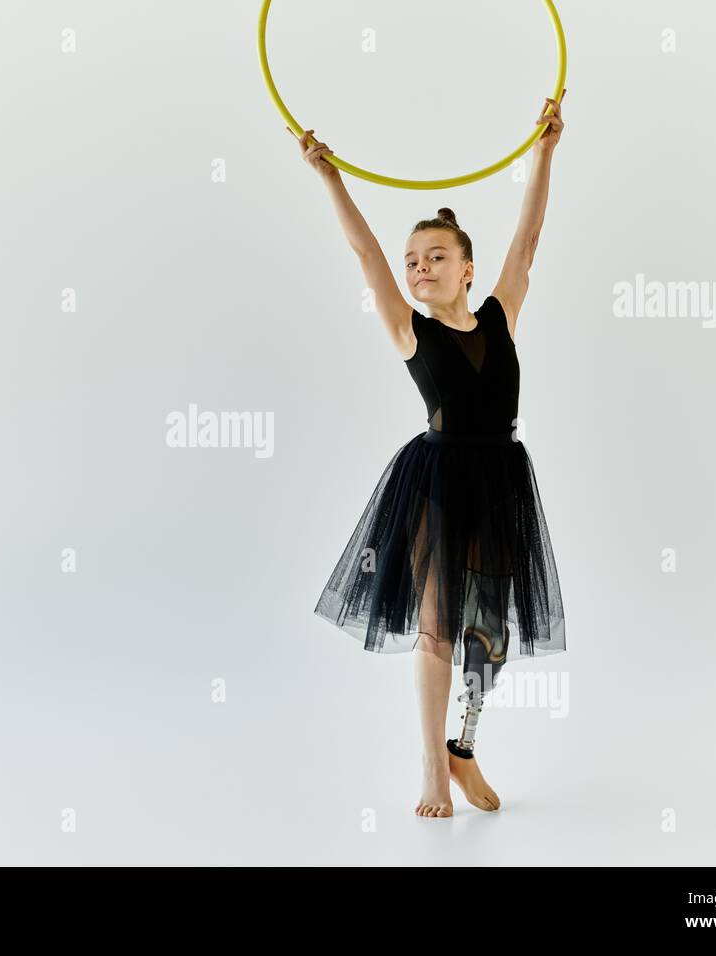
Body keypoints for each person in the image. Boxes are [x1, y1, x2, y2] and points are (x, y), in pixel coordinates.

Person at [298, 91, 569, 818]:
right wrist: (331, 179)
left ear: (467, 269)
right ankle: (429, 765)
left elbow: (530, 237)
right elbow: (363, 252)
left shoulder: (501, 315)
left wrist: (543, 149)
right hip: (438, 481)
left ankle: (464, 751)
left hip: (502, 478)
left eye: (435, 257)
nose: (419, 268)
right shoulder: (410, 333)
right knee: (439, 625)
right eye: (413, 260)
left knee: (493, 632)